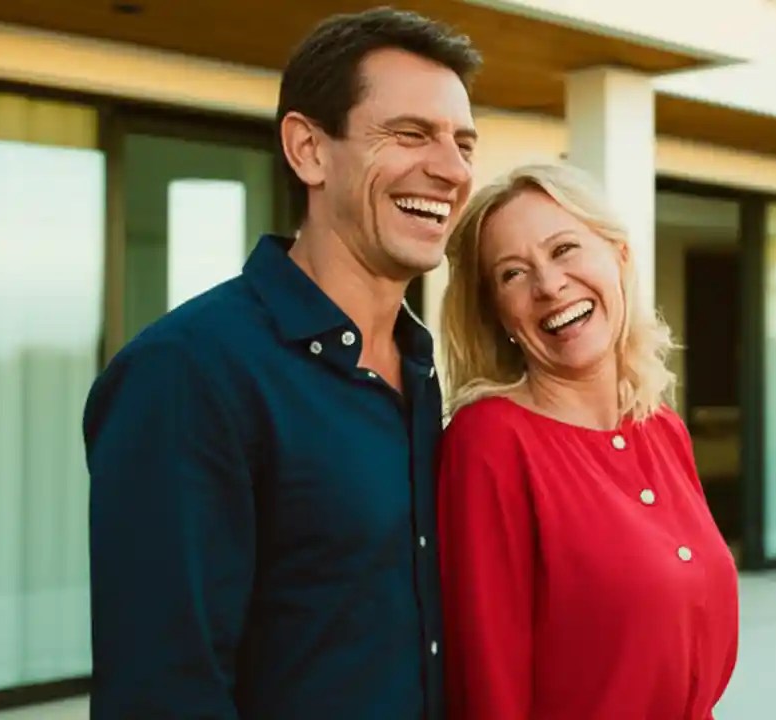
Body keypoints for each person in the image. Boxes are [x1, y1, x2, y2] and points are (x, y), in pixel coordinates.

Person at [82, 9, 480, 718]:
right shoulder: (187, 373)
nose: (450, 169)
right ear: (308, 150)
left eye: (463, 143)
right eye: (410, 134)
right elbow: (163, 692)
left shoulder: (418, 367)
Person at [436, 163, 740, 719]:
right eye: (512, 274)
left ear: (620, 257)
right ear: (497, 314)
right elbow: (488, 685)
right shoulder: (488, 443)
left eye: (565, 249)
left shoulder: (661, 428)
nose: (549, 285)